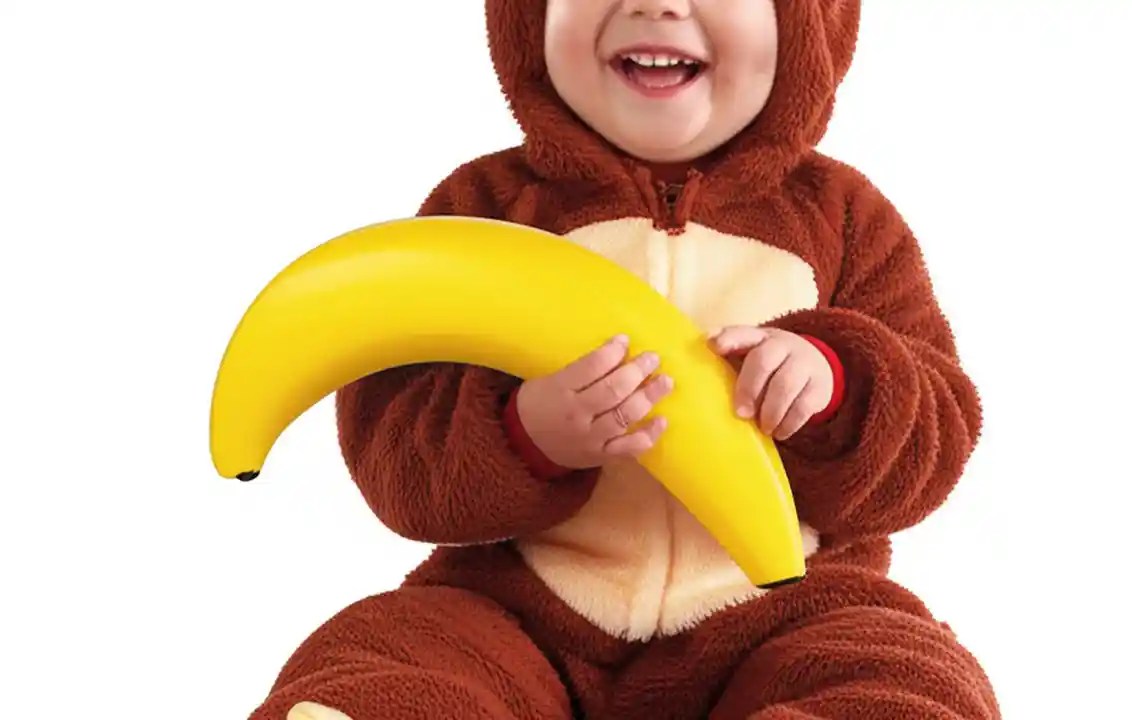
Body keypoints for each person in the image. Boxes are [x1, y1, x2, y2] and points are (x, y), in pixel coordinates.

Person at [252, 1, 1000, 718]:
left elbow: (937, 436)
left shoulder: (844, 218)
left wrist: (833, 390)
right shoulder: (480, 211)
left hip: (787, 611)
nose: (657, 5)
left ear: (802, 20)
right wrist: (526, 435)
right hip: (518, 614)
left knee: (899, 673)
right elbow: (398, 455)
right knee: (389, 658)